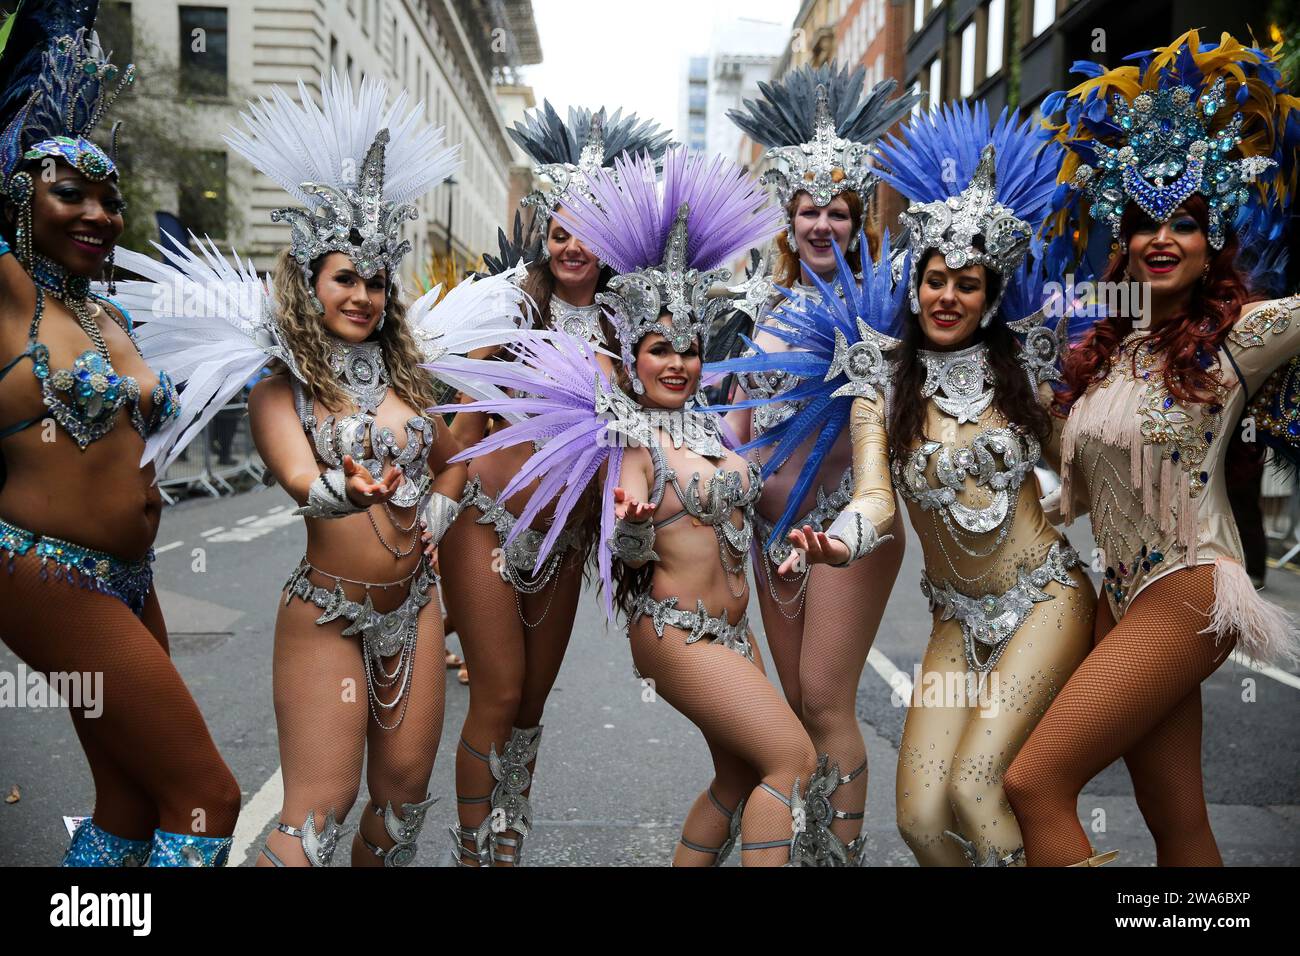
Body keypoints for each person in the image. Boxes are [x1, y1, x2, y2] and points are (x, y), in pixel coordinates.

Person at [1005, 30, 1300, 867]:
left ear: (1212, 245)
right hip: (1119, 594)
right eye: (1144, 224)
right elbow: (1078, 492)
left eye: (1186, 223)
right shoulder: (1108, 356)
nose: (1162, 238)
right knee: (1179, 823)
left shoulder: (1243, 335)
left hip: (1190, 586)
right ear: (1122, 244)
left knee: (1035, 784)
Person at [786, 103, 1097, 866]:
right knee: (924, 819)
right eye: (934, 280)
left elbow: (1089, 459)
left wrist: (1083, 500)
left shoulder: (1026, 368)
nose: (946, 296)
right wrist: (837, 544)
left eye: (966, 283)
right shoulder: (880, 385)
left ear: (988, 296)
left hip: (1045, 602)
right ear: (916, 283)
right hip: (956, 622)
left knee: (976, 787)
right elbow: (873, 499)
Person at [0, 9, 239, 866]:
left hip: (130, 579)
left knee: (131, 802)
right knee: (208, 799)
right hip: (46, 573)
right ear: (15, 194)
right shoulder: (10, 297)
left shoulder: (104, 312)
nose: (101, 212)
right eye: (72, 192)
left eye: (110, 197)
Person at [439, 103, 671, 866]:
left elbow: (638, 437)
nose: (573, 247)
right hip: (489, 527)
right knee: (498, 694)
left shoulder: (622, 329)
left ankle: (510, 833)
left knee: (532, 706)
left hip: (566, 541)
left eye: (589, 234)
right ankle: (474, 847)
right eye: (561, 231)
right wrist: (426, 524)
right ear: (543, 232)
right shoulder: (505, 306)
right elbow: (465, 432)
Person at [708, 64, 918, 860]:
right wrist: (718, 479)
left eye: (838, 210)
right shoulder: (758, 308)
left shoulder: (888, 302)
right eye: (809, 210)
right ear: (787, 218)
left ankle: (838, 858)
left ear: (858, 219)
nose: (823, 224)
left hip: (846, 532)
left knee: (827, 701)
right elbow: (735, 422)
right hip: (770, 535)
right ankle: (811, 844)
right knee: (795, 702)